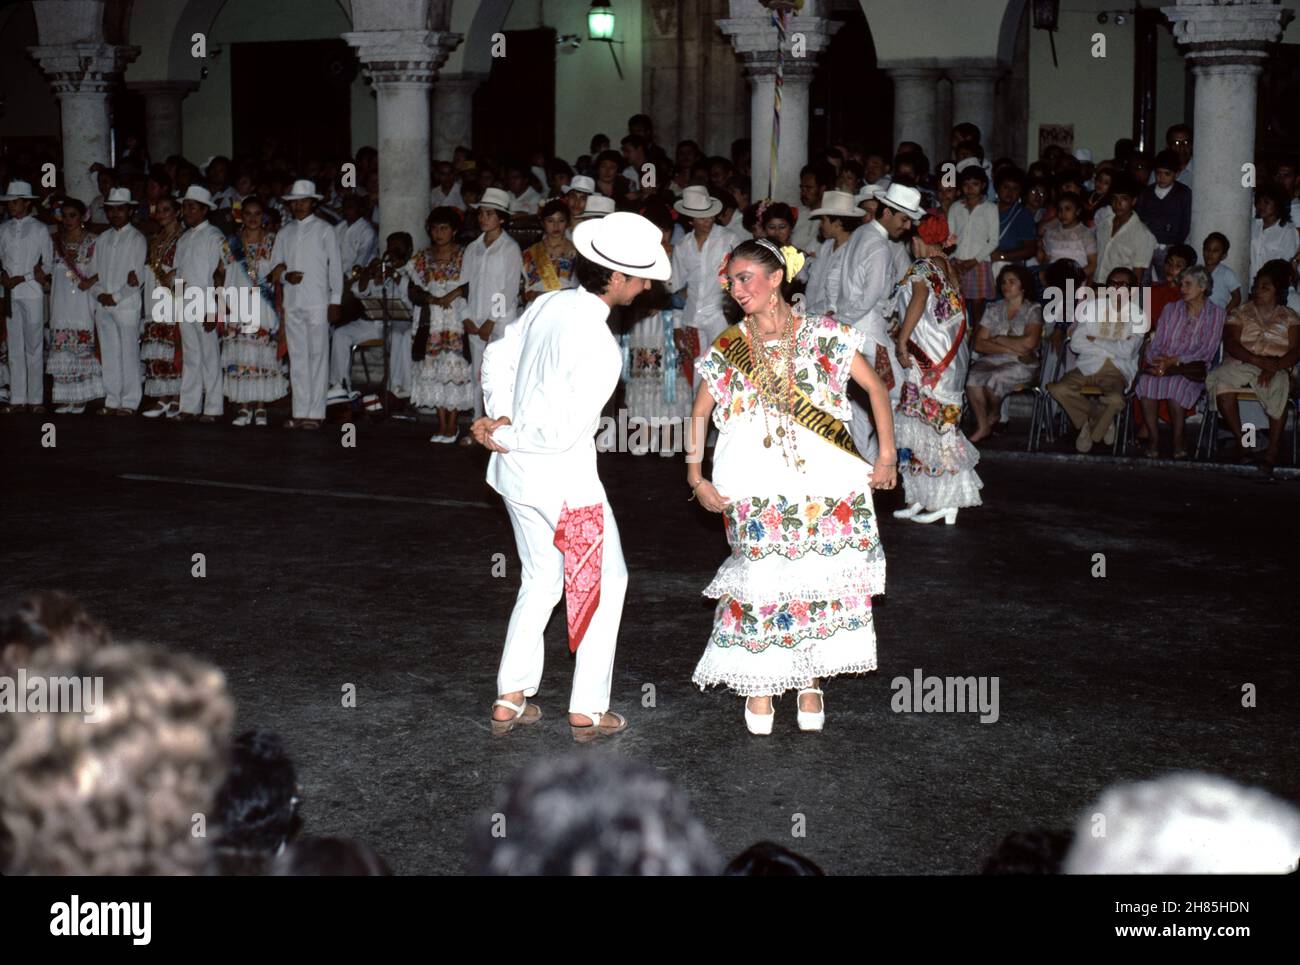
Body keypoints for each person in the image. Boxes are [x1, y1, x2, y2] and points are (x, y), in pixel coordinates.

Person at [473, 211, 671, 741]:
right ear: (616, 277)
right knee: (606, 583)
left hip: (515, 475)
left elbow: (497, 353)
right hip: (566, 486)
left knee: (540, 579)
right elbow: (559, 432)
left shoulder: (548, 301)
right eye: (642, 276)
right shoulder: (603, 347)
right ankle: (587, 708)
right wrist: (504, 427)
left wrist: (499, 421)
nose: (648, 284)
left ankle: (510, 696)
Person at [686, 238, 896, 734]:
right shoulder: (729, 345)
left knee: (816, 577)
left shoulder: (824, 334)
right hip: (752, 481)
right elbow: (698, 415)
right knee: (761, 577)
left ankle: (809, 679)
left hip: (823, 479)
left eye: (745, 278)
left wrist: (886, 454)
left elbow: (875, 387)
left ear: (776, 278)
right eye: (731, 281)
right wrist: (695, 476)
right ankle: (760, 686)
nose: (736, 289)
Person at [892, 212, 984, 524]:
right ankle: (923, 496)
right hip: (946, 361)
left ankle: (948, 500)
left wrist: (902, 339)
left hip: (931, 361)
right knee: (925, 429)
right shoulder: (947, 267)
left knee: (937, 431)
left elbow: (918, 300)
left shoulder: (922, 267)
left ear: (919, 240)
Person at [836, 183, 924, 459]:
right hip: (870, 332)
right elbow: (871, 297)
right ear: (886, 212)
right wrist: (848, 322)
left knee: (864, 400)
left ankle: (863, 459)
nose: (907, 226)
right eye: (903, 219)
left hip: (856, 328)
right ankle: (875, 460)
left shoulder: (861, 233)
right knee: (892, 395)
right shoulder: (880, 247)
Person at [1204, 259, 1300, 474]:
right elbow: (1231, 344)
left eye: (1265, 287)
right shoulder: (1240, 312)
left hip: (1277, 365)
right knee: (1221, 378)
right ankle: (1244, 443)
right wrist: (1258, 361)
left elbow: (1295, 351)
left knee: (1279, 385)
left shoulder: (1290, 316)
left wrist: (1274, 366)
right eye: (1257, 286)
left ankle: (1271, 452)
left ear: (1277, 291)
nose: (1258, 291)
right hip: (1244, 361)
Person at [269, 178, 344, 429]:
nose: (298, 205)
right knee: (298, 357)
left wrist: (335, 301)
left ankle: (315, 413)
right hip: (293, 301)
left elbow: (335, 268)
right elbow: (274, 267)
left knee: (318, 355)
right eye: (294, 202)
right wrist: (283, 276)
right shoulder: (284, 232)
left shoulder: (325, 230)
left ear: (312, 202)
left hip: (318, 302)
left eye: (303, 201)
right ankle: (300, 411)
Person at [1047, 266, 1146, 453]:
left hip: (1116, 369)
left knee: (1116, 399)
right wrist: (1113, 344)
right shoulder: (1092, 308)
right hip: (1087, 365)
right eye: (1112, 283)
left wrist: (1096, 340)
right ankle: (1097, 420)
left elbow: (1127, 351)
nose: (1116, 288)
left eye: (1122, 284)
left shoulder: (1139, 315)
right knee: (1057, 388)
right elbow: (1076, 343)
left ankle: (1089, 429)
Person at [1134, 264, 1225, 459]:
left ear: (1203, 287)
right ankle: (1153, 438)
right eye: (1181, 284)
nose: (1182, 289)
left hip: (1191, 367)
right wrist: (1157, 360)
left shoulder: (1216, 314)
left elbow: (1207, 350)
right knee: (1145, 382)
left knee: (1176, 385)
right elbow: (1156, 342)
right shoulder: (1171, 309)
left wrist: (1175, 361)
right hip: (1163, 364)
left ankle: (1178, 437)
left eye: (1188, 284)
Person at [408, 207, 472, 443]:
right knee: (433, 368)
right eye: (435, 228)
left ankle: (453, 425)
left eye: (444, 228)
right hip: (431, 318)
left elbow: (472, 285)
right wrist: (430, 298)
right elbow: (413, 290)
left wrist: (452, 294)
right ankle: (441, 424)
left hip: (455, 317)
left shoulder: (466, 255)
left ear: (454, 231)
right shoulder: (422, 257)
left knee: (454, 368)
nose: (439, 232)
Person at [221, 195, 287, 426]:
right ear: (241, 216)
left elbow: (280, 267)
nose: (252, 218)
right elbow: (224, 272)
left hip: (263, 305)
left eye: (257, 214)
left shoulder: (272, 241)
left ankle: (260, 407)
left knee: (262, 357)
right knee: (241, 358)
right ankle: (243, 407)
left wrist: (274, 273)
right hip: (239, 304)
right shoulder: (231, 243)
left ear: (264, 216)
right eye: (247, 213)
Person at [461, 187, 522, 428]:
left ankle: (501, 423)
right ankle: (478, 421)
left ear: (502, 218)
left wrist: (491, 320)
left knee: (502, 373)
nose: (484, 218)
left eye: (490, 214)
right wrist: (465, 315)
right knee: (478, 373)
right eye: (481, 214)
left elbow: (509, 288)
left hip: (501, 319)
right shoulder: (472, 248)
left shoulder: (510, 248)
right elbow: (463, 285)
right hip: (475, 317)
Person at [966, 264, 1043, 443]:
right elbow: (978, 343)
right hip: (994, 358)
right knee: (972, 377)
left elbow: (1030, 343)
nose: (1006, 286)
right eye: (1003, 282)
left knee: (996, 378)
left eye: (1011, 282)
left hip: (1022, 363)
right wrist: (1013, 347)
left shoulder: (1033, 309)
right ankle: (984, 424)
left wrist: (998, 338)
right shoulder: (993, 308)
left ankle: (993, 414)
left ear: (1022, 285)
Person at [172, 185, 230, 423]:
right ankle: (189, 405)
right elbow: (178, 271)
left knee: (209, 356)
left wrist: (215, 309)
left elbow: (223, 273)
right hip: (185, 301)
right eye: (185, 206)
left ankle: (213, 407)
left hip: (205, 301)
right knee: (191, 355)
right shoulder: (184, 238)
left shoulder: (215, 236)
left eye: (192, 207)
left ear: (204, 210)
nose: (187, 211)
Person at [90, 187, 147, 416]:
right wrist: (99, 294)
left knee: (129, 353)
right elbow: (94, 273)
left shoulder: (136, 238)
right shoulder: (103, 238)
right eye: (111, 210)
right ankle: (112, 398)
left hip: (125, 305)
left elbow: (137, 278)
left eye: (120, 210)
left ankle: (130, 401)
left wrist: (115, 297)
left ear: (130, 211)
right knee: (110, 352)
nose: (115, 214)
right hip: (104, 304)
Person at [45, 198, 103, 414]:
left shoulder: (93, 242)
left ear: (83, 217)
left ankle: (81, 398)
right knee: (62, 350)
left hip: (82, 303)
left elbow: (103, 268)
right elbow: (48, 269)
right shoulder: (54, 243)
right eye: (65, 215)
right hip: (60, 302)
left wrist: (91, 280)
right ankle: (66, 397)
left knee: (80, 349)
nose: (68, 220)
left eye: (73, 215)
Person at [0, 180, 53, 413]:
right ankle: (17, 398)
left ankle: (36, 399)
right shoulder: (3, 229)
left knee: (33, 344)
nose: (11, 206)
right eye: (9, 202)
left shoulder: (39, 228)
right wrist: (4, 277)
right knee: (14, 344)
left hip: (30, 292)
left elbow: (48, 264)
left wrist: (22, 277)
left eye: (15, 202)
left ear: (26, 203)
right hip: (9, 293)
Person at [670, 185, 734, 377]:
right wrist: (676, 326)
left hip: (720, 317)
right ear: (690, 220)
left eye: (710, 215)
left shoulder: (729, 239)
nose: (708, 221)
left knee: (723, 372)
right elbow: (677, 289)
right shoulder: (682, 247)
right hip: (693, 318)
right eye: (701, 217)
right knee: (698, 375)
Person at [140, 195, 185, 418]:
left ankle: (178, 398)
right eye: (159, 210)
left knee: (174, 347)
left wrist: (176, 273)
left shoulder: (184, 237)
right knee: (158, 350)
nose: (162, 214)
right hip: (155, 295)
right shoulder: (155, 239)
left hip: (176, 296)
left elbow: (188, 264)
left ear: (177, 212)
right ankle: (162, 398)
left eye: (167, 209)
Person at [948, 158, 999, 325]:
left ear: (983, 185)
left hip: (979, 262)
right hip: (957, 262)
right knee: (957, 305)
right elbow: (951, 237)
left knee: (977, 307)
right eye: (966, 184)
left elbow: (993, 241)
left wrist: (974, 261)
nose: (970, 188)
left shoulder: (990, 208)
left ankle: (976, 343)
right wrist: (954, 260)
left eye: (975, 184)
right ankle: (960, 341)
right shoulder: (956, 208)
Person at [802, 190, 862, 317]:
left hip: (832, 317)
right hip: (812, 312)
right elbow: (814, 280)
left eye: (824, 220)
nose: (820, 225)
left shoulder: (852, 251)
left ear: (837, 223)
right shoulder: (827, 245)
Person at [1095, 175, 1156, 283]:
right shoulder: (1104, 224)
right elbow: (1097, 260)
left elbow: (1138, 273)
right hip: (1097, 287)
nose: (1118, 204)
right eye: (1114, 198)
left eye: (1124, 199)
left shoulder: (1143, 234)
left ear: (1133, 201)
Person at [521, 200, 578, 302]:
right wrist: (540, 296)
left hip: (568, 307)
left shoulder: (578, 253)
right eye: (550, 221)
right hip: (538, 308)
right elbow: (524, 291)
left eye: (561, 220)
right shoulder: (530, 253)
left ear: (567, 223)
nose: (556, 226)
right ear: (543, 223)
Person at [1038, 191, 1097, 280]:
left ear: (1078, 211)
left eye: (1067, 209)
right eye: (1060, 210)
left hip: (1076, 281)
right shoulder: (1051, 233)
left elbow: (1092, 264)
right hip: (1054, 282)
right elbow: (1047, 261)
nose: (1063, 214)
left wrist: (1073, 279)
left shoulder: (1086, 233)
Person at [1248, 184, 1299, 284]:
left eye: (1266, 202)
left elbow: (1286, 265)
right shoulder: (1252, 225)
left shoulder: (1287, 231)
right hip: (1251, 286)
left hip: (1274, 289)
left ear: (1278, 204)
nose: (1261, 206)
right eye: (1259, 202)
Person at [1202, 232, 1242, 314]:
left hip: (1216, 314)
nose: (1210, 253)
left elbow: (1237, 297)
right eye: (1207, 249)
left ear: (1224, 256)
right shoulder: (1198, 271)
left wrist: (1224, 313)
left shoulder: (1226, 273)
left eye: (1215, 251)